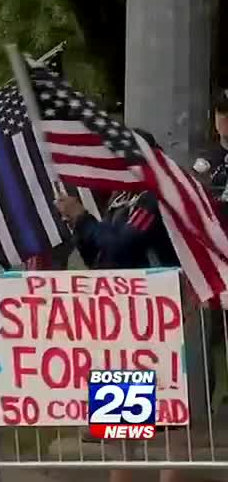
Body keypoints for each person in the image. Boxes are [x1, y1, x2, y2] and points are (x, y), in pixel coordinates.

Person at [55, 129, 183, 482]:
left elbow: (124, 244)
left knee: (165, 406)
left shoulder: (153, 197)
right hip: (122, 311)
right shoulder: (120, 197)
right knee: (122, 411)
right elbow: (102, 252)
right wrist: (80, 228)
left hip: (155, 310)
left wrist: (85, 219)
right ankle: (123, 473)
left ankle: (170, 475)